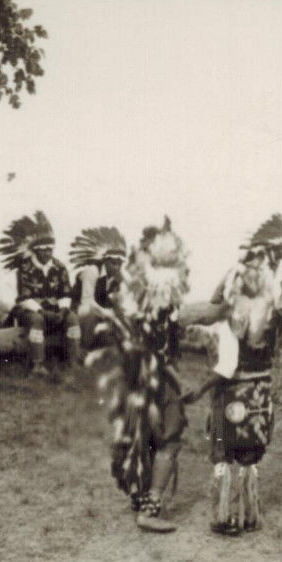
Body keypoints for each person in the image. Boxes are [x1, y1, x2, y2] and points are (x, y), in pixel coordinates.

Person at [184, 216, 282, 536]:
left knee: (225, 451)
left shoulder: (239, 309)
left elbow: (227, 365)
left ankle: (229, 516)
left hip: (234, 390)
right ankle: (248, 515)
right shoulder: (273, 302)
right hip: (260, 389)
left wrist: (201, 389)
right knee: (248, 454)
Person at [90, 218, 192, 532]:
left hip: (132, 371)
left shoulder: (134, 285)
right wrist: (176, 378)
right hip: (150, 371)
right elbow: (156, 344)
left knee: (140, 434)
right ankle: (150, 506)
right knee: (168, 438)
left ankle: (139, 495)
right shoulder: (155, 288)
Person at [0, 211, 80, 375]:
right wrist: (42, 312)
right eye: (43, 250)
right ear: (35, 250)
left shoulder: (59, 267)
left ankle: (72, 362)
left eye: (50, 249)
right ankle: (37, 365)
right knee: (36, 320)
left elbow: (65, 292)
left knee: (72, 318)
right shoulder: (25, 268)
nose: (47, 253)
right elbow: (24, 297)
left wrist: (63, 310)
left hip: (55, 309)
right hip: (30, 310)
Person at [69, 226, 127, 349]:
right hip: (79, 310)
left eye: (119, 264)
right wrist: (106, 312)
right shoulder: (92, 271)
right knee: (89, 312)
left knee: (122, 313)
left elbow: (115, 302)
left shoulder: (116, 278)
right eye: (113, 263)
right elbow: (86, 301)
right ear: (105, 261)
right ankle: (82, 347)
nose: (117, 267)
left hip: (99, 311)